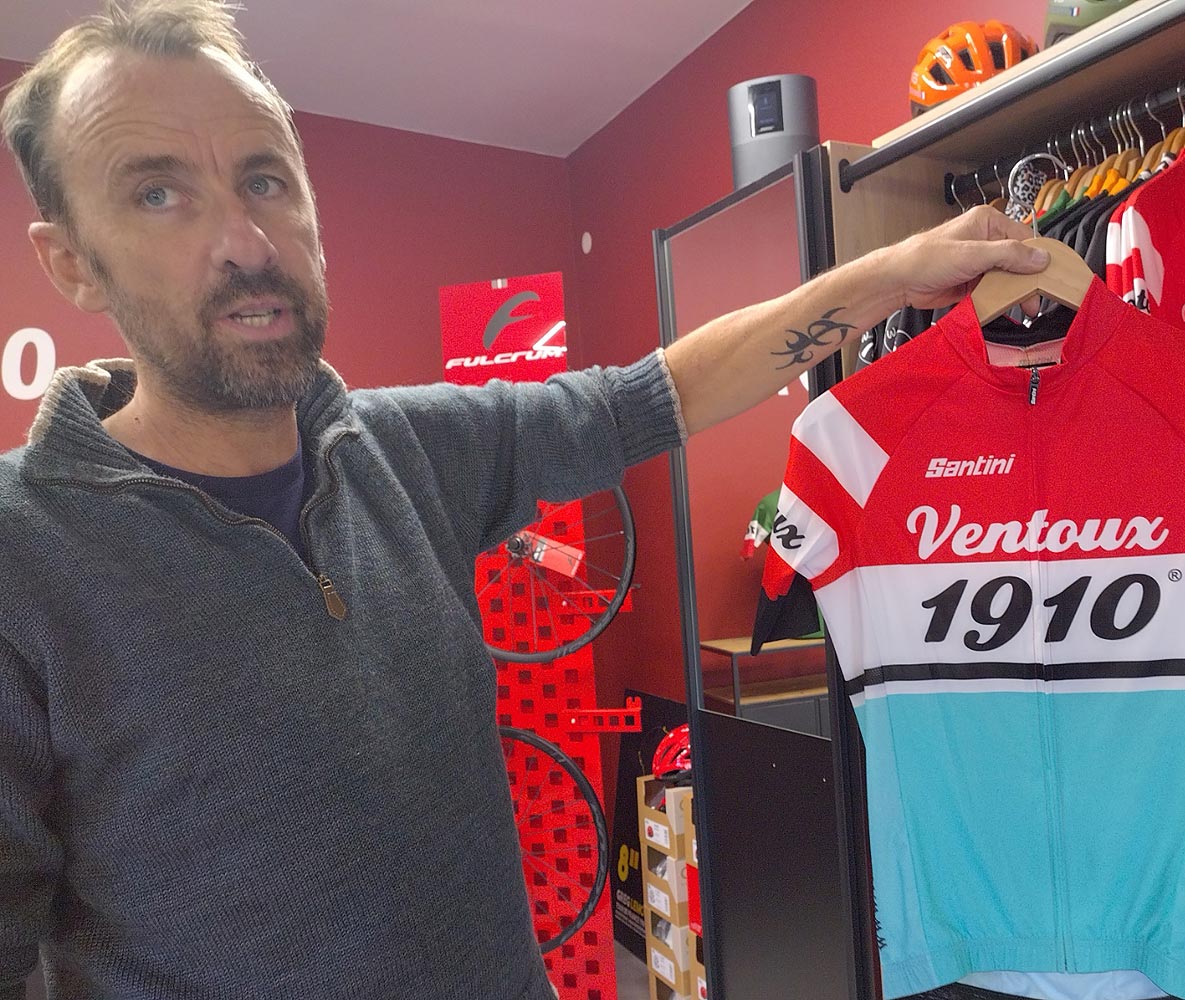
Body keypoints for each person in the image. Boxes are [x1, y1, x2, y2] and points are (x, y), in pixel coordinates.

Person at [0, 1, 1047, 997]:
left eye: (267, 179)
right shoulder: (24, 552)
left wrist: (883, 273)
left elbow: (658, 392)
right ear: (70, 262)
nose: (245, 241)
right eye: (157, 193)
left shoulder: (407, 449)